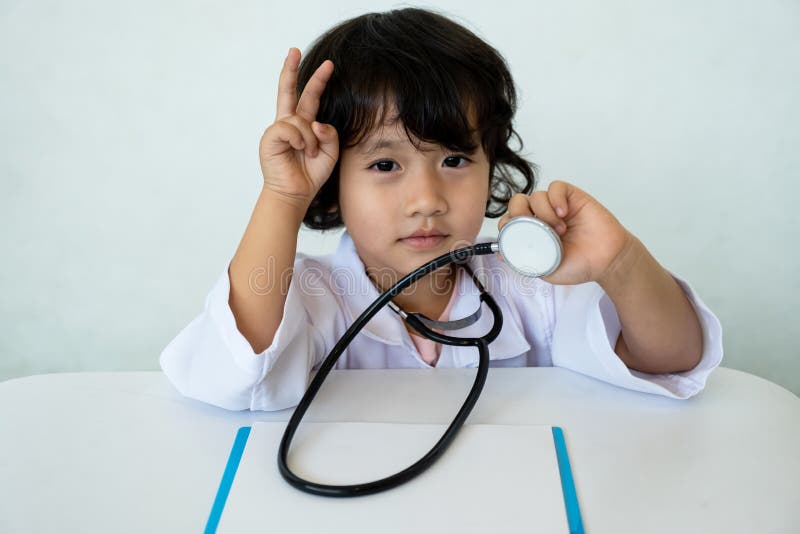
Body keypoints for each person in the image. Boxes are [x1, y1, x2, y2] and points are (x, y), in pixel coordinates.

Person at [160, 7, 722, 411]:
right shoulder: (306, 295)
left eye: (455, 159)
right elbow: (236, 374)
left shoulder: (532, 288)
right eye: (385, 166)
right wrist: (283, 197)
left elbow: (672, 357)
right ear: (331, 181)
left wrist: (619, 262)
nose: (428, 200)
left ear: (491, 163)